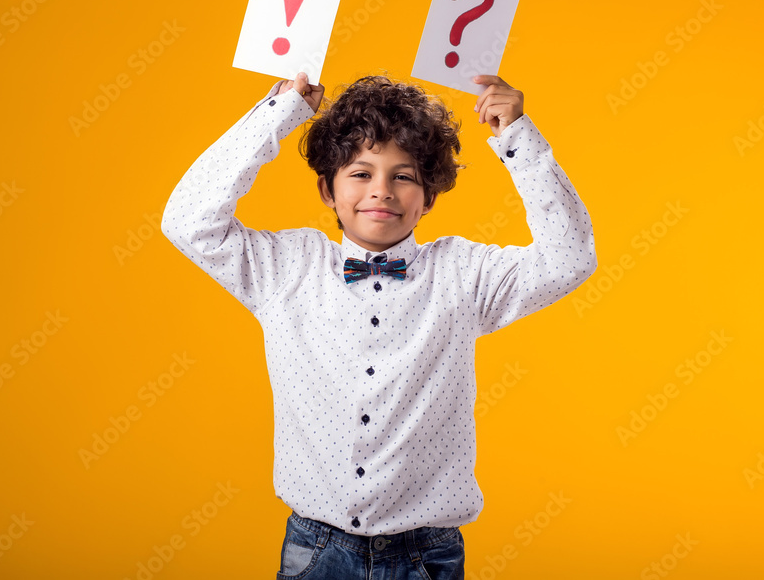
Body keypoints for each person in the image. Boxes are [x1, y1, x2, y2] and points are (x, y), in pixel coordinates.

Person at [160, 70, 597, 579]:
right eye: (361, 173)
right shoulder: (284, 268)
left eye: (403, 176)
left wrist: (517, 135)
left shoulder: (465, 274)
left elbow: (569, 258)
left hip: (426, 555)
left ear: (428, 197)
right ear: (327, 190)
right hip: (316, 551)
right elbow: (188, 221)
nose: (382, 191)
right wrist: (281, 115)